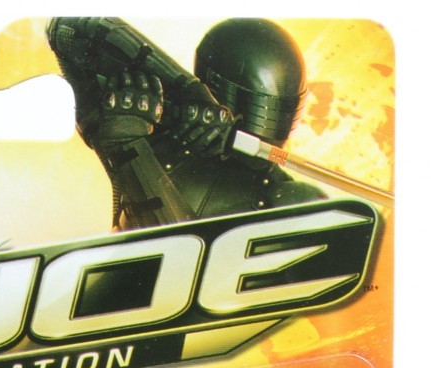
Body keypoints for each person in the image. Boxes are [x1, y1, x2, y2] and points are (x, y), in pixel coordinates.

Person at [47, 16, 322, 230]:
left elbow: (182, 254)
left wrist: (127, 146)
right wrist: (186, 90)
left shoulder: (289, 196)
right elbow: (69, 26)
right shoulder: (155, 128)